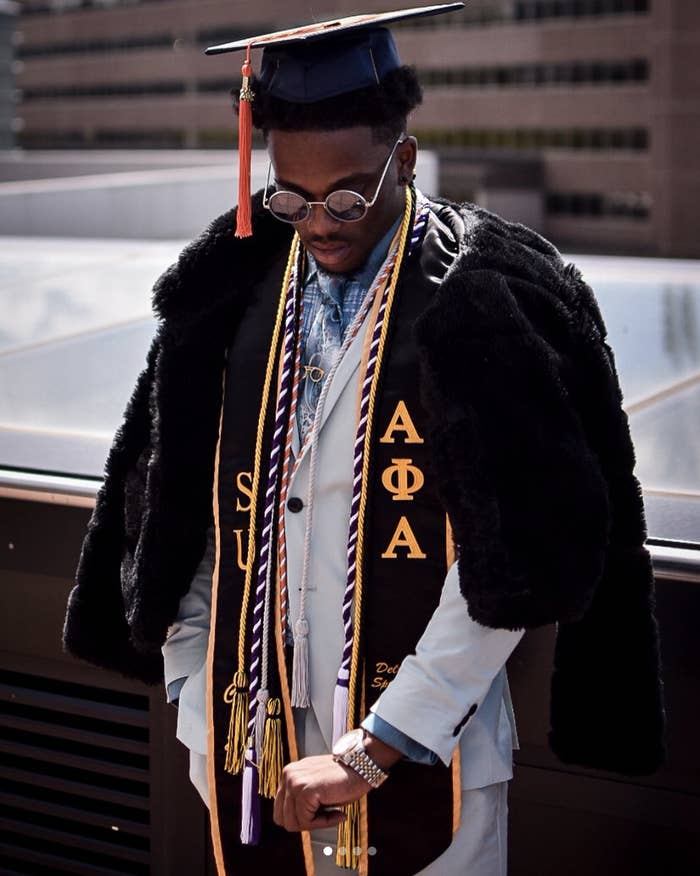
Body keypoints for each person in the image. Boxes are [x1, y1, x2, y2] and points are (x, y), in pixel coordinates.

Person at [63, 5, 665, 876]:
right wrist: (196, 694)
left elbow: (517, 559)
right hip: (248, 747)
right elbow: (174, 506)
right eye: (290, 197)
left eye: (347, 193)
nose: (319, 223)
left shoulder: (480, 296)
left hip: (425, 748)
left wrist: (376, 745)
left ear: (405, 160)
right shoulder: (230, 292)